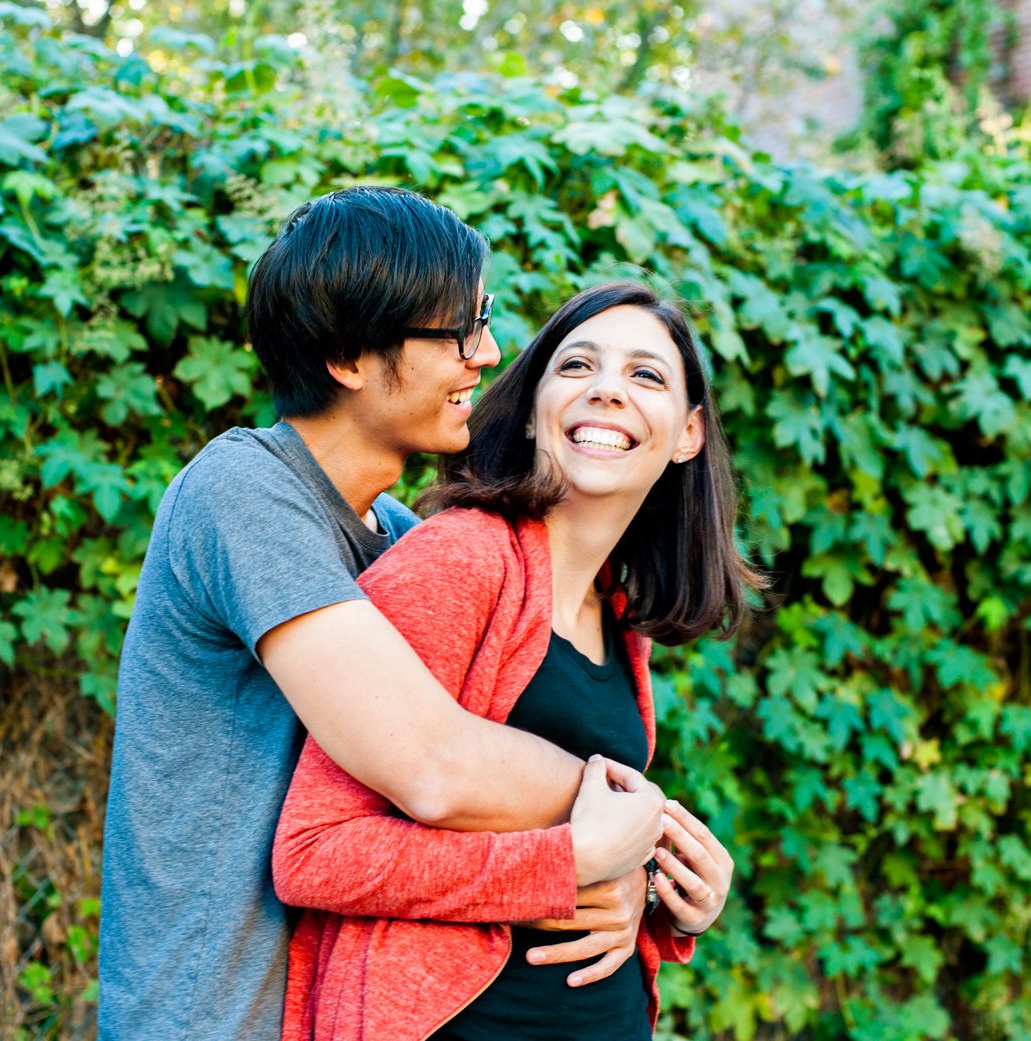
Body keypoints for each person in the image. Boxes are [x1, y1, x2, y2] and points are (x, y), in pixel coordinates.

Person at [98, 190, 665, 1041]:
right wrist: (628, 818)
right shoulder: (243, 491)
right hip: (210, 1012)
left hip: (326, 1005)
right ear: (348, 356)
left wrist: (635, 862)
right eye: (459, 332)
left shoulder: (399, 537)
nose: (488, 354)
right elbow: (431, 763)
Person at [273, 282, 765, 1041]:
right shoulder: (459, 559)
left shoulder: (619, 616)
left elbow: (568, 835)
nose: (607, 390)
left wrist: (661, 895)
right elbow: (316, 852)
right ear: (535, 409)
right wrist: (564, 865)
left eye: (646, 375)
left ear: (688, 435)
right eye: (576, 366)